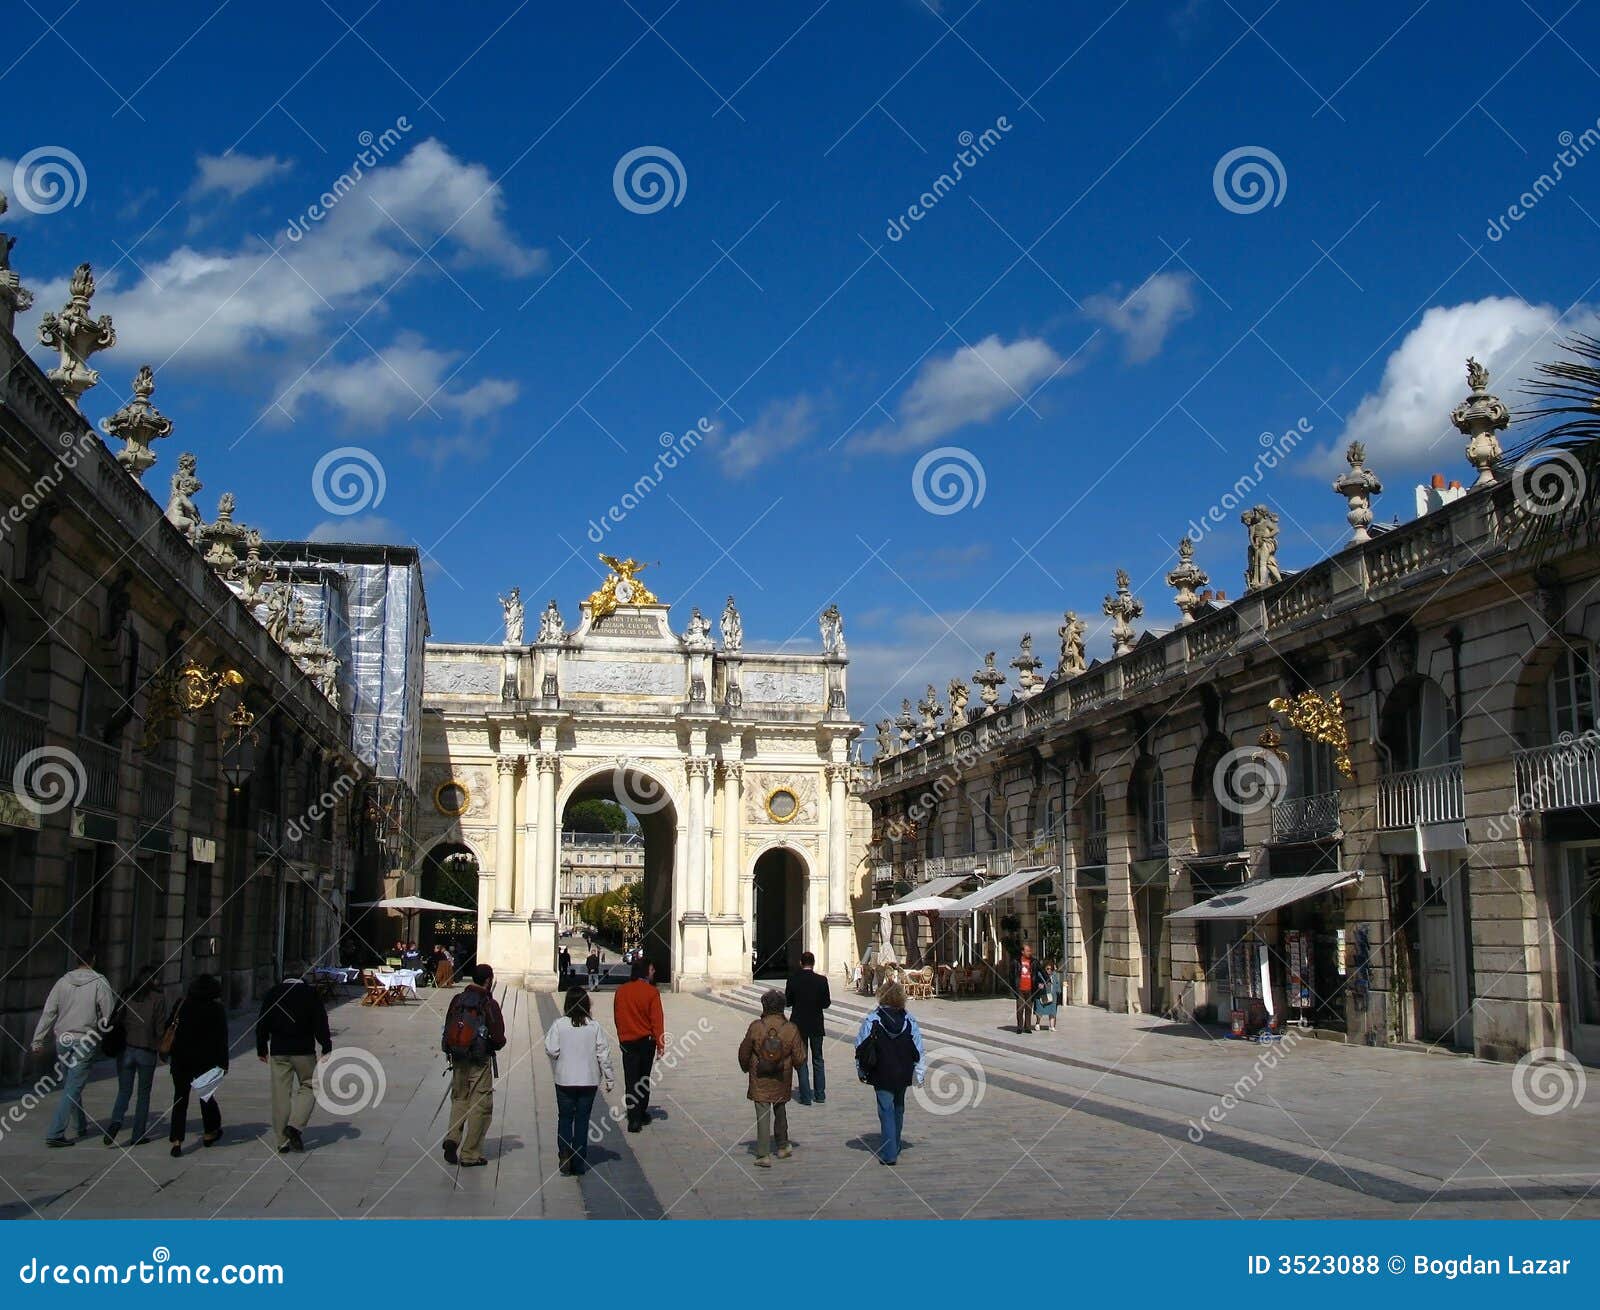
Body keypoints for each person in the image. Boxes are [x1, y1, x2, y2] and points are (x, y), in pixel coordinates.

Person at [31, 945, 115, 1147]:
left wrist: (37, 1040)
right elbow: (108, 1013)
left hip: (64, 1039)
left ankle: (80, 1125)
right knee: (72, 1086)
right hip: (84, 1038)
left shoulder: (62, 982)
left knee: (71, 1082)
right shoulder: (99, 982)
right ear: (93, 960)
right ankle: (55, 1132)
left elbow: (49, 1012)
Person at [255, 961, 333, 1154]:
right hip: (303, 1050)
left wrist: (261, 1046)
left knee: (280, 1093)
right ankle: (295, 1126)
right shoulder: (310, 994)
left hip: (279, 1050)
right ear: (302, 977)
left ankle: (281, 1141)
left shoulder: (273, 993)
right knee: (310, 1085)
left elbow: (262, 1021)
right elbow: (320, 1021)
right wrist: (326, 1045)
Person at [543, 987, 614, 1175]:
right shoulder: (594, 1026)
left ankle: (564, 1151)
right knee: (582, 1120)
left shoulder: (559, 1024)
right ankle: (579, 1160)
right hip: (588, 1080)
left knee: (565, 1117)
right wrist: (609, 1078)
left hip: (564, 1079)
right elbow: (603, 1053)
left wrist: (561, 1054)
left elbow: (551, 1049)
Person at [441, 964, 507, 1167]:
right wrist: (494, 1044)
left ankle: (452, 1138)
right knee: (480, 1105)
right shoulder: (488, 1003)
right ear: (488, 980)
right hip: (479, 1059)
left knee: (459, 1098)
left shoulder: (458, 999)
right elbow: (498, 1036)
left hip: (458, 1057)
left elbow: (448, 1026)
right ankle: (470, 1153)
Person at [854, 981, 925, 1166]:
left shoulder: (873, 1019)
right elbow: (918, 1047)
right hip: (903, 1070)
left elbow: (861, 1046)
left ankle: (889, 1152)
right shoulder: (909, 1020)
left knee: (886, 1110)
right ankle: (895, 1143)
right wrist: (919, 1073)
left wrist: (860, 1070)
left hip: (882, 1071)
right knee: (899, 1107)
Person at [737, 989, 806, 1167]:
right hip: (782, 1075)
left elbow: (744, 1051)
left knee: (762, 1111)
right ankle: (783, 1146)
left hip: (760, 1075)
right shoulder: (791, 1028)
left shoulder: (756, 1026)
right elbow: (800, 1057)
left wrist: (745, 1067)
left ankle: (763, 1154)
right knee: (780, 1106)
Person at [168, 974, 229, 1158]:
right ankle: (210, 1132)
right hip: (206, 1061)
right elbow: (221, 1039)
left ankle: (177, 1141)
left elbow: (169, 1026)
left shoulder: (182, 1005)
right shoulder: (216, 1009)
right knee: (206, 1097)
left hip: (181, 1059)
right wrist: (223, 1064)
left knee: (179, 1100)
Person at [104, 965, 165, 1147]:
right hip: (146, 1049)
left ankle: (116, 1122)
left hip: (126, 1049)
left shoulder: (127, 994)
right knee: (143, 1094)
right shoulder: (158, 998)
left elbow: (117, 1019)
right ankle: (138, 1134)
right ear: (152, 980)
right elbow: (160, 1027)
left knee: (124, 1090)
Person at [613, 957, 665, 1132]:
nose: (654, 972)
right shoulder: (651, 993)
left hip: (627, 1042)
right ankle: (641, 1113)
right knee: (643, 1079)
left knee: (630, 1079)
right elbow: (656, 1021)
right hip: (646, 1043)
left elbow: (617, 1016)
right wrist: (660, 1044)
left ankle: (633, 1117)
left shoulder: (621, 991)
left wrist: (621, 1037)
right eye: (651, 969)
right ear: (644, 971)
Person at [785, 950, 831, 1106]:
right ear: (813, 963)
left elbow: (788, 1002)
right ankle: (820, 1094)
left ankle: (805, 1097)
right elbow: (826, 1003)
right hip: (816, 1024)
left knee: (801, 1060)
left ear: (800, 963)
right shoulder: (821, 980)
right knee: (818, 1059)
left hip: (798, 1025)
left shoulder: (793, 980)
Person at [1008, 943, 1039, 1034]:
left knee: (1029, 1008)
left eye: (1030, 951)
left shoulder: (1033, 961)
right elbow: (1011, 975)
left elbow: (1039, 971)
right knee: (1020, 1008)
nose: (1030, 952)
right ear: (1022, 952)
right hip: (1020, 989)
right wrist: (1013, 988)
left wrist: (1045, 980)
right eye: (1027, 951)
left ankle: (1028, 1027)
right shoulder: (1016, 961)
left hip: (1030, 988)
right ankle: (1020, 1027)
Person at [1034, 958, 1060, 1033]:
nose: (1049, 970)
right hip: (1042, 995)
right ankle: (1037, 1023)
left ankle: (1051, 1026)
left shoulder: (1054, 975)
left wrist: (1058, 991)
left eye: (1051, 969)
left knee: (1052, 1011)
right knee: (1040, 1010)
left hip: (1053, 996)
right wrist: (1039, 985)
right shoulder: (1040, 974)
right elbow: (1036, 982)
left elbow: (1057, 983)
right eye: (1047, 969)